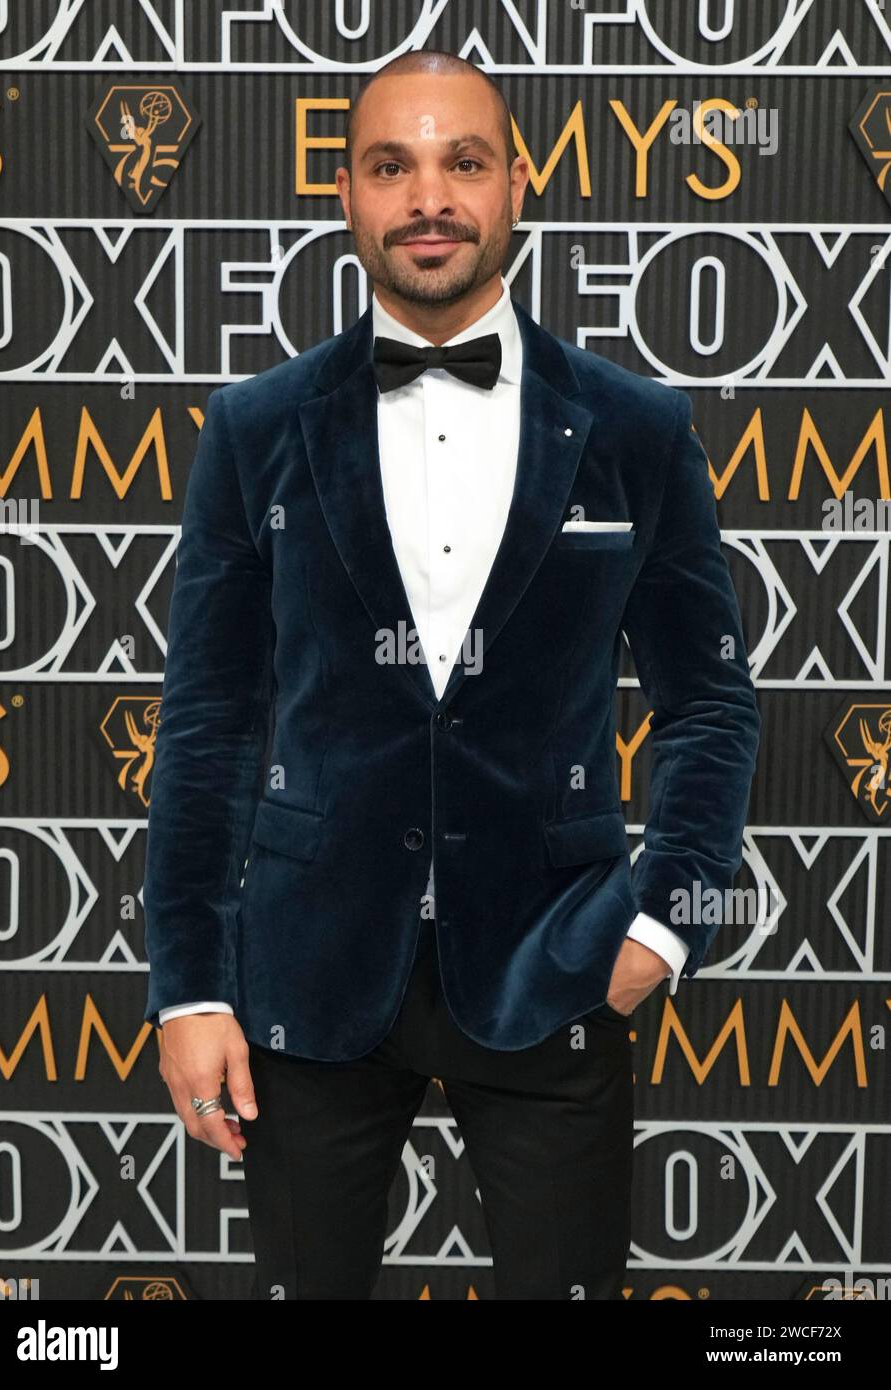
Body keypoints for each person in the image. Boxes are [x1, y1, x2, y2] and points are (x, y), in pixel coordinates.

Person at [142, 50, 761, 1299]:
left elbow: (710, 701)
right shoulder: (255, 427)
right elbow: (208, 720)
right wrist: (189, 987)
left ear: (518, 185)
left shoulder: (638, 429)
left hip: (558, 961)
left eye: (462, 162)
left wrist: (662, 922)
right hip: (307, 977)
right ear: (348, 195)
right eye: (393, 166)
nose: (430, 197)